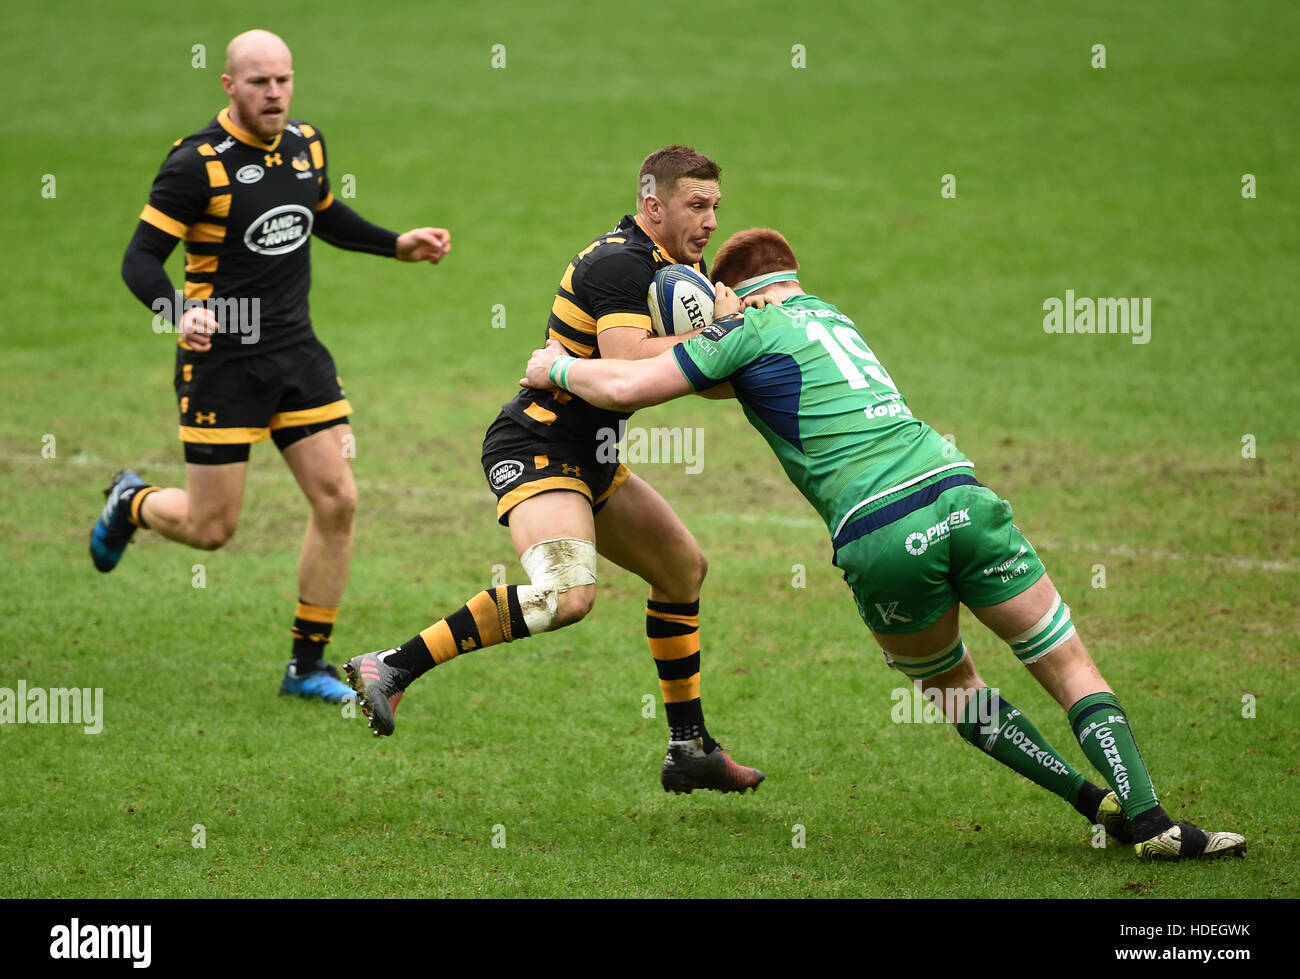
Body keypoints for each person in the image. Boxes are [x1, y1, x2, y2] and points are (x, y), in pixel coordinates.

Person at [519, 226, 1247, 860]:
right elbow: (730, 379)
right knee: (1066, 662)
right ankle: (1152, 818)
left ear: (732, 293)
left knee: (955, 688)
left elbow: (627, 387)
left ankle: (1092, 806)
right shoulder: (832, 315)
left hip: (881, 533)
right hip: (960, 494)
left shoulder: (741, 333)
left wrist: (554, 365)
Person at [344, 146, 764, 795]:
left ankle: (690, 750)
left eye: (714, 206)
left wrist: (744, 348)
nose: (710, 221)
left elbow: (694, 376)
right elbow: (627, 368)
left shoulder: (682, 270)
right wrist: (726, 334)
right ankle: (391, 665)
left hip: (593, 459)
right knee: (566, 596)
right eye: (695, 205)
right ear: (653, 204)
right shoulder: (619, 265)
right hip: (535, 447)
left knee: (682, 569)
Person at [98, 29, 452, 703]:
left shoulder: (306, 143)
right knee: (212, 529)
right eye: (259, 82)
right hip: (222, 366)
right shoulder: (194, 165)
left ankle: (305, 665)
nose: (275, 93)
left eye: (283, 80)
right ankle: (131, 502)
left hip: (296, 355)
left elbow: (321, 214)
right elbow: (138, 259)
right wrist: (177, 309)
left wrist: (395, 244)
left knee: (338, 499)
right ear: (229, 86)